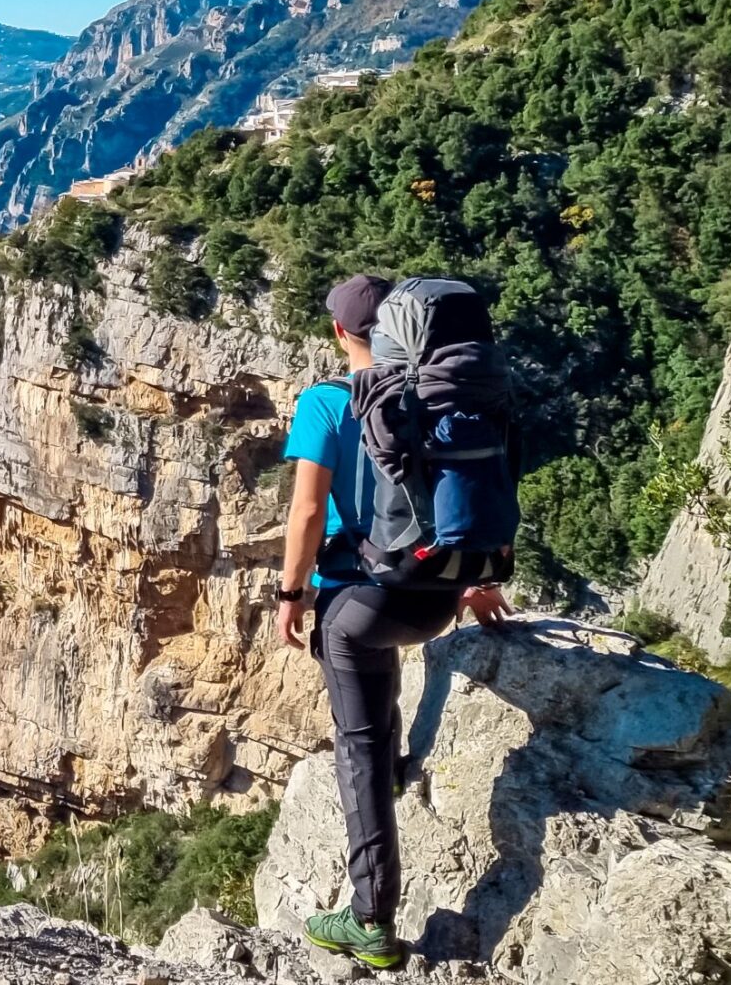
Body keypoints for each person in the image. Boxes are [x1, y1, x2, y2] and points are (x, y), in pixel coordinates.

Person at [277, 273, 508, 969]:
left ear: (340, 335)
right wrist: (479, 579)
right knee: (380, 702)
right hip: (436, 599)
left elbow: (309, 512)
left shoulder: (324, 402)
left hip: (359, 605)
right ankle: (398, 772)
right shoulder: (440, 400)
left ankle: (370, 918)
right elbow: (475, 488)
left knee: (359, 746)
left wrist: (291, 593)